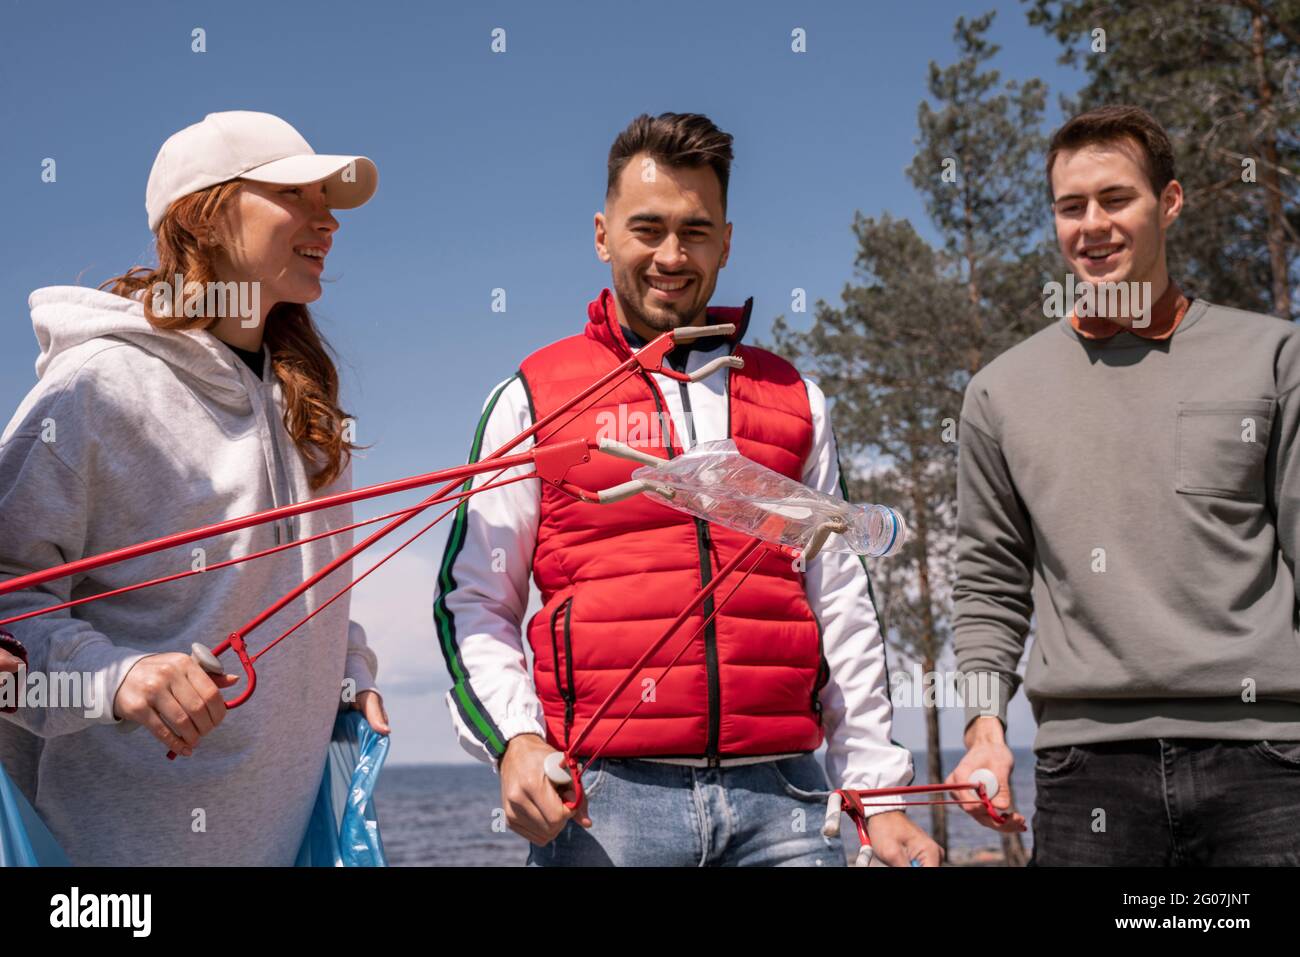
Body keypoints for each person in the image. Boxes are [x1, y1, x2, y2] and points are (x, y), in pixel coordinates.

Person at [435, 112, 940, 866]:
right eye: (648, 229)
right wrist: (516, 738)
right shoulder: (532, 396)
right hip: (603, 804)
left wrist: (877, 793)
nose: (671, 256)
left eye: (695, 232)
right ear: (603, 235)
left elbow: (839, 597)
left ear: (725, 243)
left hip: (788, 802)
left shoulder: (797, 398)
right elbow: (475, 598)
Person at [0, 111, 389, 866]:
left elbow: (317, 590)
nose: (327, 220)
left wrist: (350, 678)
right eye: (295, 195)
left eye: (327, 199)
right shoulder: (94, 389)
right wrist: (118, 678)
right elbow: (8, 605)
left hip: (283, 842)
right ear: (203, 216)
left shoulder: (311, 413)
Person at [948, 104, 1300, 865]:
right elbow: (987, 584)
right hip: (1084, 771)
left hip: (1268, 760)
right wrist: (983, 728)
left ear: (1169, 202)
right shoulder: (1000, 392)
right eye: (1071, 207)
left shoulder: (1273, 357)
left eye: (1116, 199)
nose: (1093, 225)